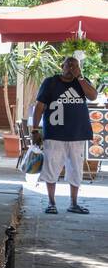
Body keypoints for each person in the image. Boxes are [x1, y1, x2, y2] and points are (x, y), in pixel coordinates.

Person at [33, 55, 98, 214]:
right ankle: (51, 203)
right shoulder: (51, 82)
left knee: (76, 169)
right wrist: (35, 129)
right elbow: (39, 107)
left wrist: (80, 78)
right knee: (51, 168)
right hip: (55, 134)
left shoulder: (81, 82)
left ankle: (74, 203)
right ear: (61, 66)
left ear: (79, 68)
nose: (71, 68)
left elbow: (93, 96)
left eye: (74, 66)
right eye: (68, 65)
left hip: (77, 134)